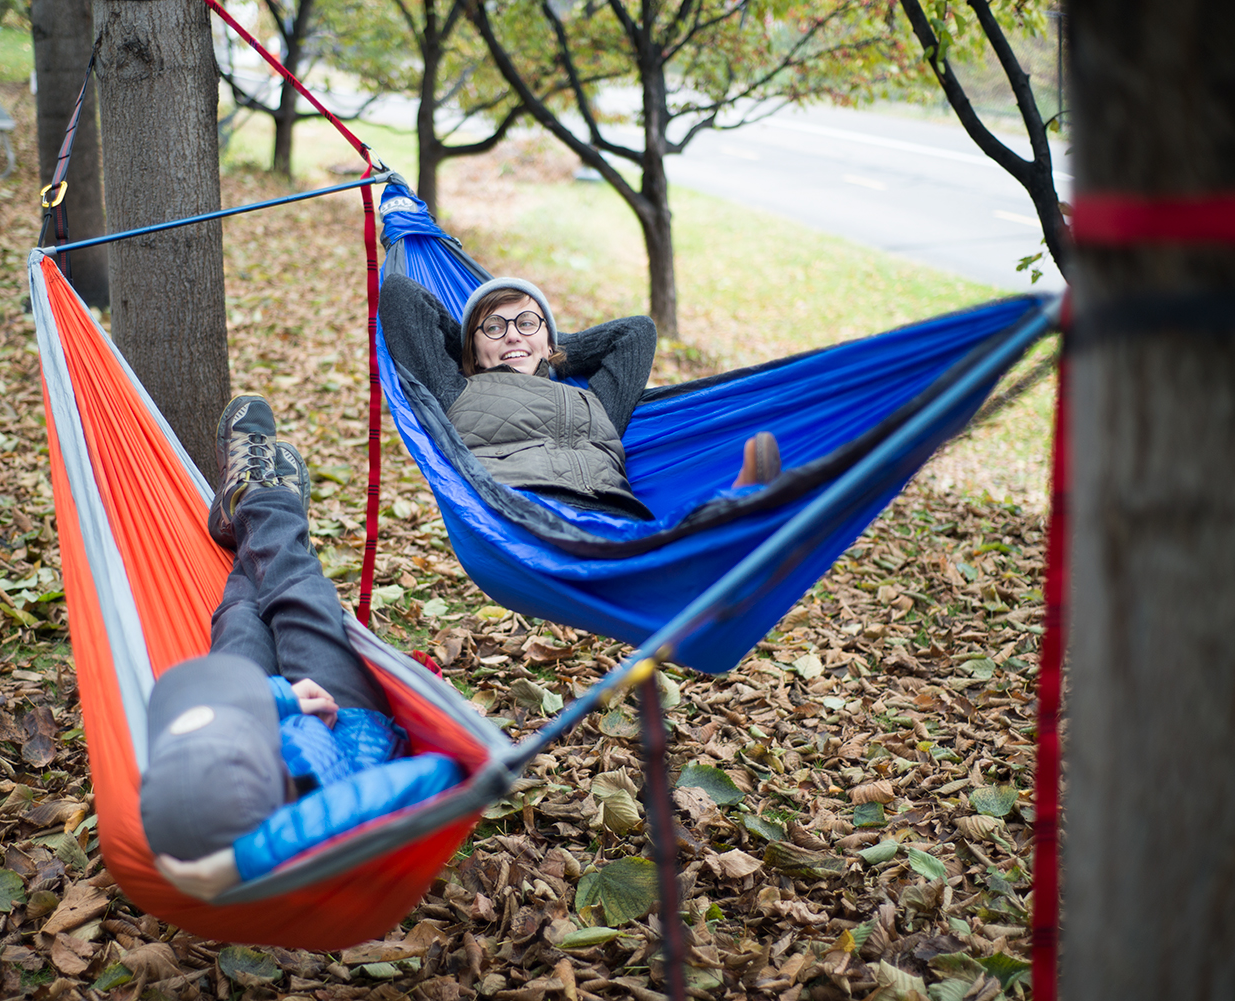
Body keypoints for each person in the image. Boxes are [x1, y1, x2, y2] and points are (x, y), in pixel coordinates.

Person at [141, 396, 461, 902]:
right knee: (296, 590)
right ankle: (261, 503)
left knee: (240, 617)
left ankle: (249, 508)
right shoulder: (333, 821)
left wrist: (279, 703)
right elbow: (439, 774)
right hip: (352, 720)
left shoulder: (179, 786)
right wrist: (243, 862)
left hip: (285, 702)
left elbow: (186, 713)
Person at [378, 274, 780, 521]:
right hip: (522, 513)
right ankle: (737, 513)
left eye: (527, 322)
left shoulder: (596, 402)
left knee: (659, 547)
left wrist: (549, 350)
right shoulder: (455, 389)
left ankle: (737, 515)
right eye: (495, 326)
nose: (513, 333)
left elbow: (637, 332)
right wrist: (471, 345)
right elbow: (400, 296)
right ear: (471, 348)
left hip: (613, 514)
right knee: (656, 551)